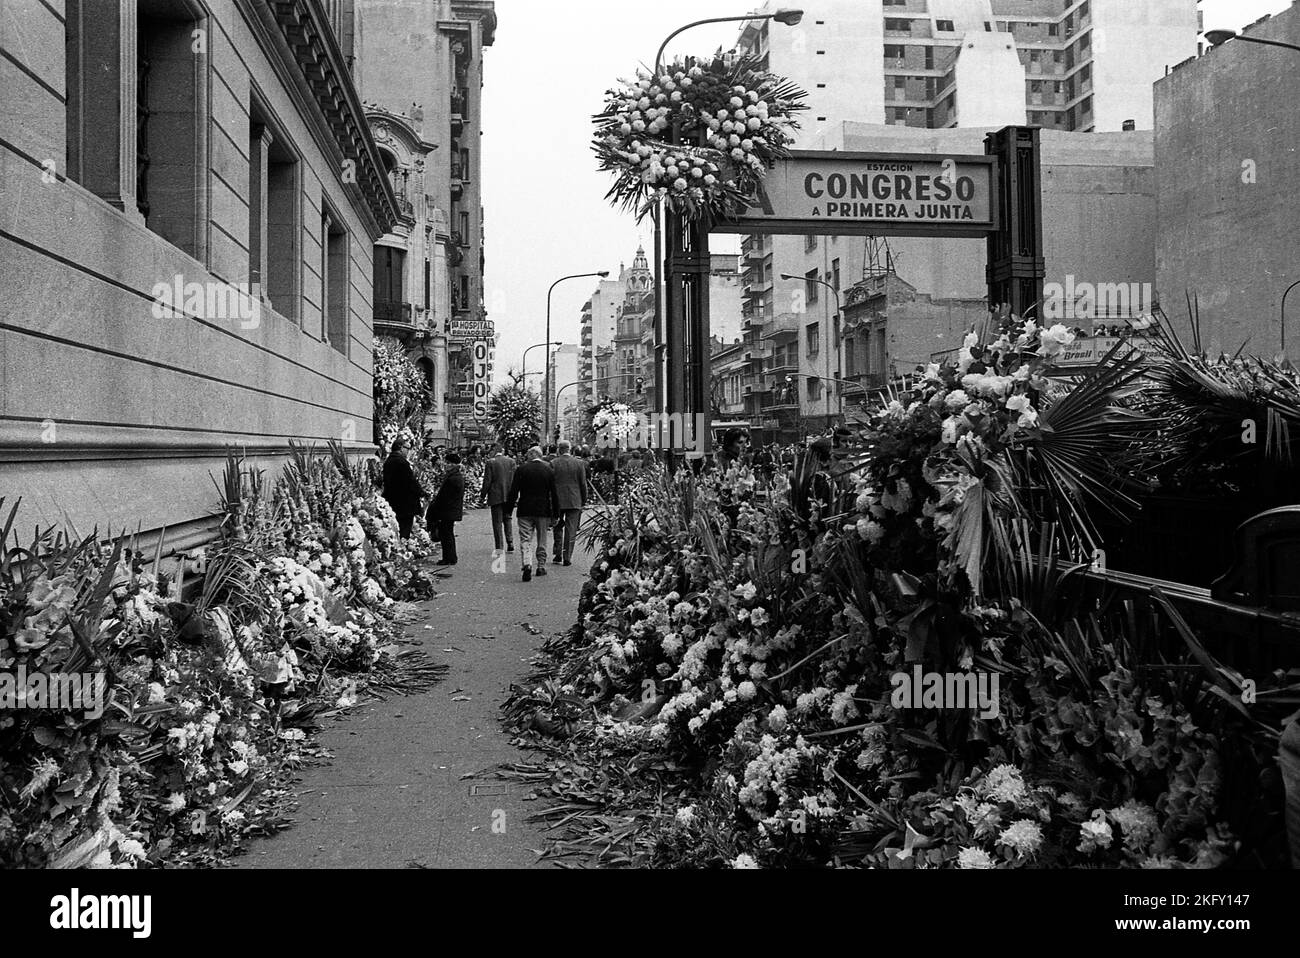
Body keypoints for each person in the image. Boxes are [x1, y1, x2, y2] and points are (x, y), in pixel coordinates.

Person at [507, 446, 559, 582]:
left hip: (525, 509)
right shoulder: (548, 469)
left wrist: (508, 509)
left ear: (530, 455)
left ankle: (527, 563)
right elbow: (554, 493)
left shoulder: (522, 469)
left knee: (525, 538)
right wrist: (556, 513)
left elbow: (514, 491)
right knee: (542, 538)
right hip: (543, 510)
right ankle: (541, 565)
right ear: (540, 456)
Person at [550, 440, 589, 566]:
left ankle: (558, 553)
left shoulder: (553, 463)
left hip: (558, 500)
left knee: (557, 525)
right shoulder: (578, 463)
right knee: (571, 529)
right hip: (574, 499)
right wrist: (584, 499)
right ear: (570, 449)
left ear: (559, 450)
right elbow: (583, 484)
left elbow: (550, 484)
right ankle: (567, 556)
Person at [381, 437, 426, 538]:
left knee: (399, 528)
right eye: (407, 448)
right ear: (401, 448)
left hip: (393, 500)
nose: (408, 451)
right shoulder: (401, 462)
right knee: (405, 530)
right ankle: (403, 548)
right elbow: (410, 481)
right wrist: (421, 492)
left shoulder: (389, 460)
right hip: (405, 503)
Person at [427, 452, 465, 564]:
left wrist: (435, 508)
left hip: (448, 510)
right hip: (450, 510)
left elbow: (444, 496)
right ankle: (450, 557)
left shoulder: (453, 477)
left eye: (448, 463)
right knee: (447, 533)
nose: (445, 464)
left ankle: (449, 558)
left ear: (453, 464)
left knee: (446, 534)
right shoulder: (455, 476)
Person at [483, 442, 516, 553]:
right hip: (509, 495)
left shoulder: (490, 463)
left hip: (495, 495)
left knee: (497, 522)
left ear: (493, 450)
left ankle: (499, 546)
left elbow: (487, 480)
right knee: (507, 519)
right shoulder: (511, 461)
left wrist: (483, 494)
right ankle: (510, 541)